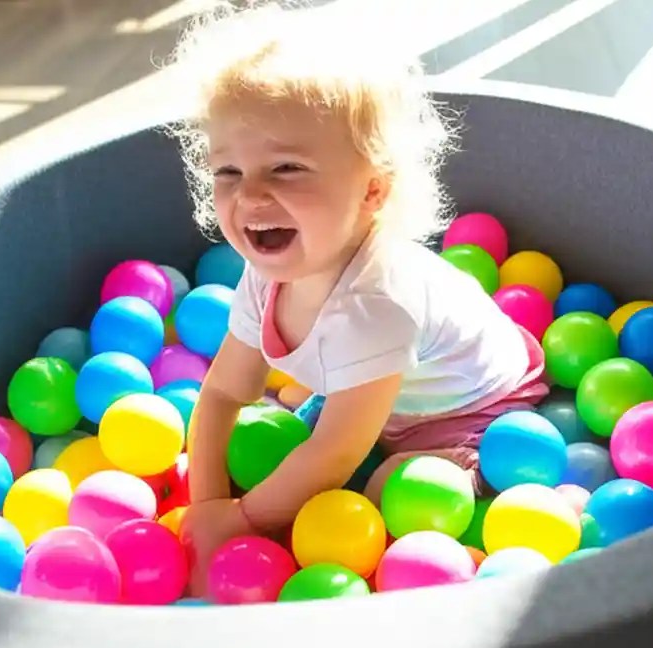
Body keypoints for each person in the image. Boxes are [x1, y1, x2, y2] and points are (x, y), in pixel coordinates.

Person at [167, 1, 548, 593]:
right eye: (229, 173)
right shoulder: (267, 269)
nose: (251, 195)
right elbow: (220, 392)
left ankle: (473, 473)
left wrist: (240, 519)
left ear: (372, 190)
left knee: (385, 493)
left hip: (471, 406)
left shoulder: (376, 306)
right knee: (270, 435)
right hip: (378, 396)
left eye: (287, 168)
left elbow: (331, 456)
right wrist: (207, 505)